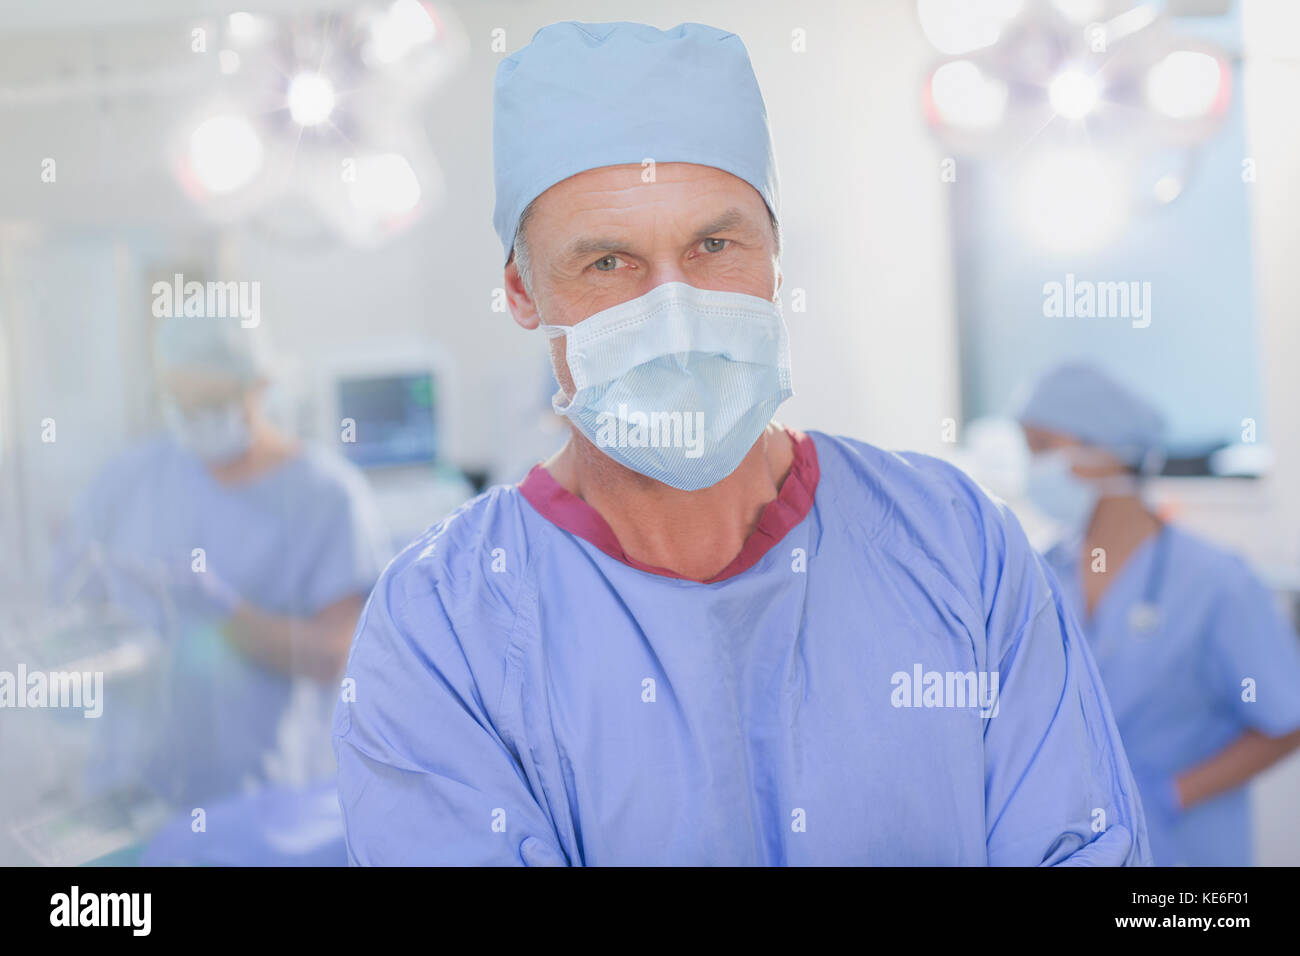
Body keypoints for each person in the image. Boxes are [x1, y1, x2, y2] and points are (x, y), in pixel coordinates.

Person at [333, 20, 1151, 865]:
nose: (676, 310)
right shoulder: (443, 626)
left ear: (774, 256)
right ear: (522, 290)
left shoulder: (955, 544)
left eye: (713, 246)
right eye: (608, 263)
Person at [52, 314, 391, 839]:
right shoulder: (128, 480)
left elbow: (336, 654)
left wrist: (231, 620)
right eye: (180, 402)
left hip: (264, 812)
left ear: (259, 387)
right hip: (132, 801)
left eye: (211, 403)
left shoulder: (325, 497)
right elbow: (75, 603)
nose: (194, 418)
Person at [1019, 361, 1300, 865]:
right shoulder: (1037, 575)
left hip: (1187, 858)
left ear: (1103, 450)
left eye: (1042, 448)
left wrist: (1172, 794)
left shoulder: (1217, 583)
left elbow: (1287, 720)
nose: (1031, 467)